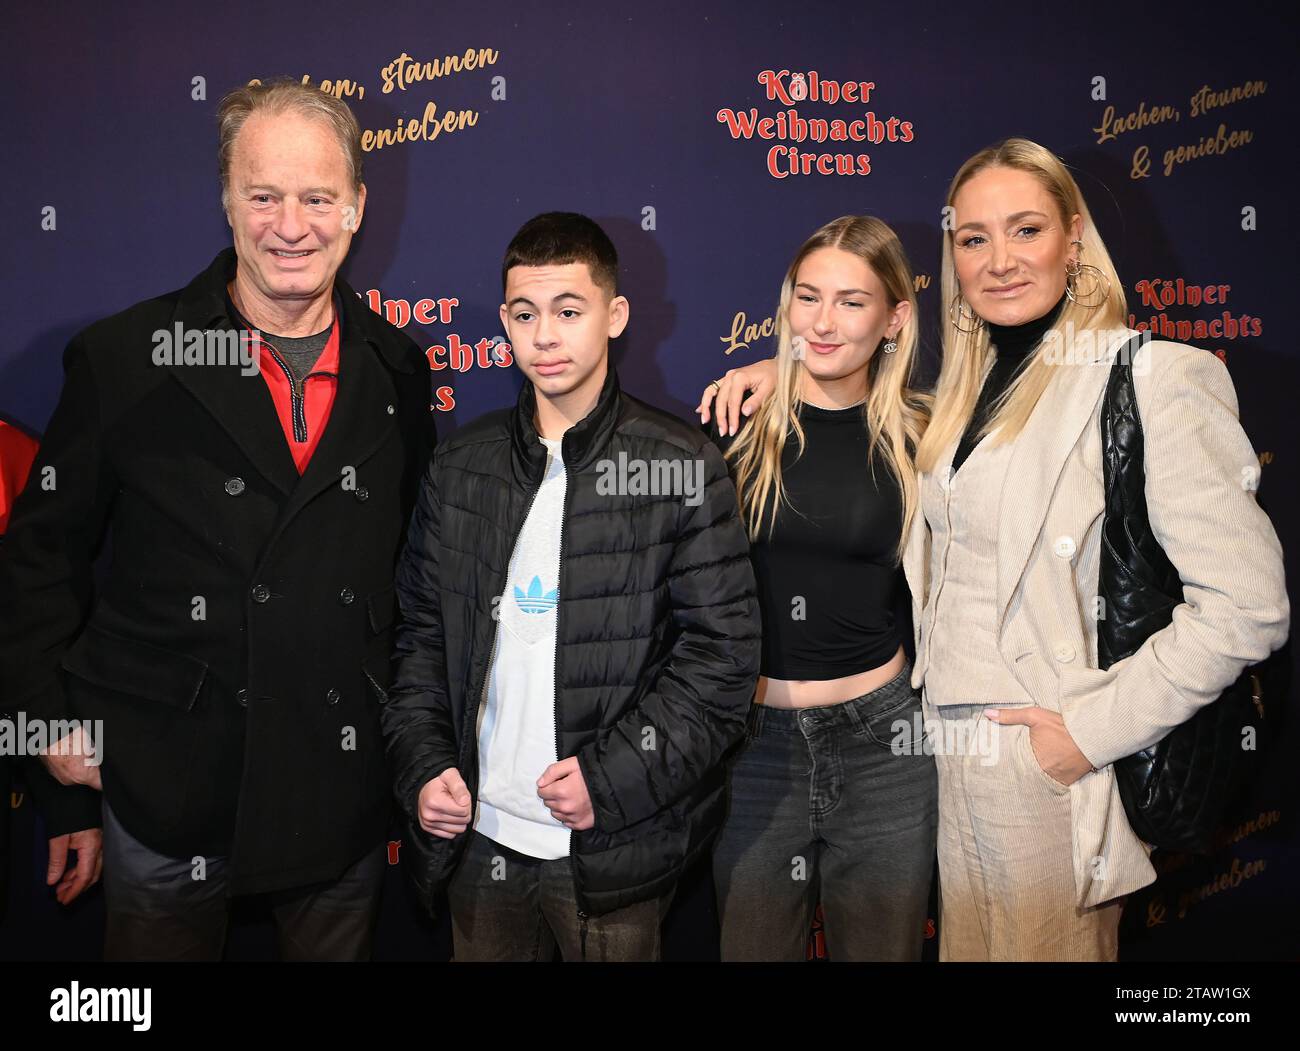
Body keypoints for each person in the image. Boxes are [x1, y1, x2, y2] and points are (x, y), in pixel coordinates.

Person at [698, 138, 1289, 961]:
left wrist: (1086, 733)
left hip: (1048, 771)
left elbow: (1249, 608)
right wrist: (789, 364)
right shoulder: (967, 396)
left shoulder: (1153, 377)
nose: (1000, 260)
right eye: (974, 238)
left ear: (1074, 239)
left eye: (1026, 230)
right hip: (948, 761)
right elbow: (864, 403)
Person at [0, 78, 437, 961]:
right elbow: (38, 563)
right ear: (226, 201)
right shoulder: (128, 359)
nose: (291, 225)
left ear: (356, 206)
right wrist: (49, 744)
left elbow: (411, 575)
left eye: (317, 198)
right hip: (168, 790)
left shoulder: (397, 371)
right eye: (264, 195)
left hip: (336, 790)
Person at [381, 211, 761, 962]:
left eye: (568, 311)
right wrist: (424, 764)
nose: (544, 336)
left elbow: (721, 662)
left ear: (615, 315)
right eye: (525, 315)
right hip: (480, 838)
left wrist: (609, 780)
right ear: (504, 321)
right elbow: (421, 634)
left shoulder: (680, 464)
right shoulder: (462, 465)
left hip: (609, 845)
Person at [703, 216, 936, 960]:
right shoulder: (735, 423)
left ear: (895, 317)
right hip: (756, 745)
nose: (823, 321)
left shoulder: (924, 436)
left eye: (852, 301)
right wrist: (779, 376)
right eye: (808, 297)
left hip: (886, 746)